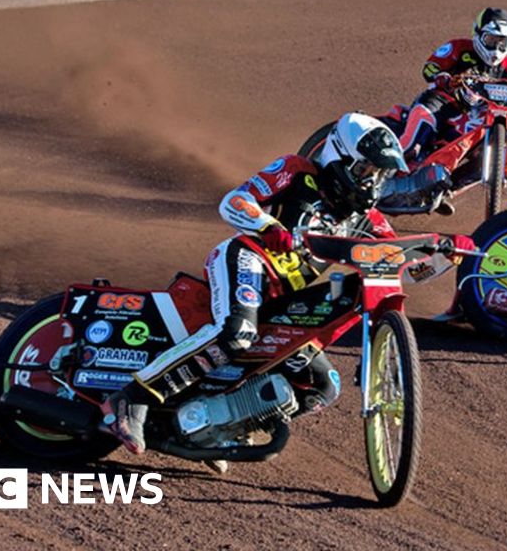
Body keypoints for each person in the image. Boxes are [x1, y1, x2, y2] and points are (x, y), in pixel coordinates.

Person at [100, 113, 411, 455]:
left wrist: (444, 254)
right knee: (237, 333)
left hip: (284, 298)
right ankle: (131, 399)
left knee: (322, 385)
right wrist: (267, 226)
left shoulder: (366, 219)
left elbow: (396, 256)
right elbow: (234, 201)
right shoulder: (296, 171)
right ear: (340, 157)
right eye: (366, 171)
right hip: (248, 259)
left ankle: (221, 426)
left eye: (380, 177)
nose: (371, 184)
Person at [388, 7, 507, 214]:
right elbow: (429, 68)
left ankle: (443, 190)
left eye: (503, 43)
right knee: (414, 143)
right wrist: (443, 77)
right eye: (492, 40)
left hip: (475, 119)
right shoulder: (459, 48)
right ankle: (377, 175)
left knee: (486, 160)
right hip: (440, 103)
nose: (497, 49)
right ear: (478, 34)